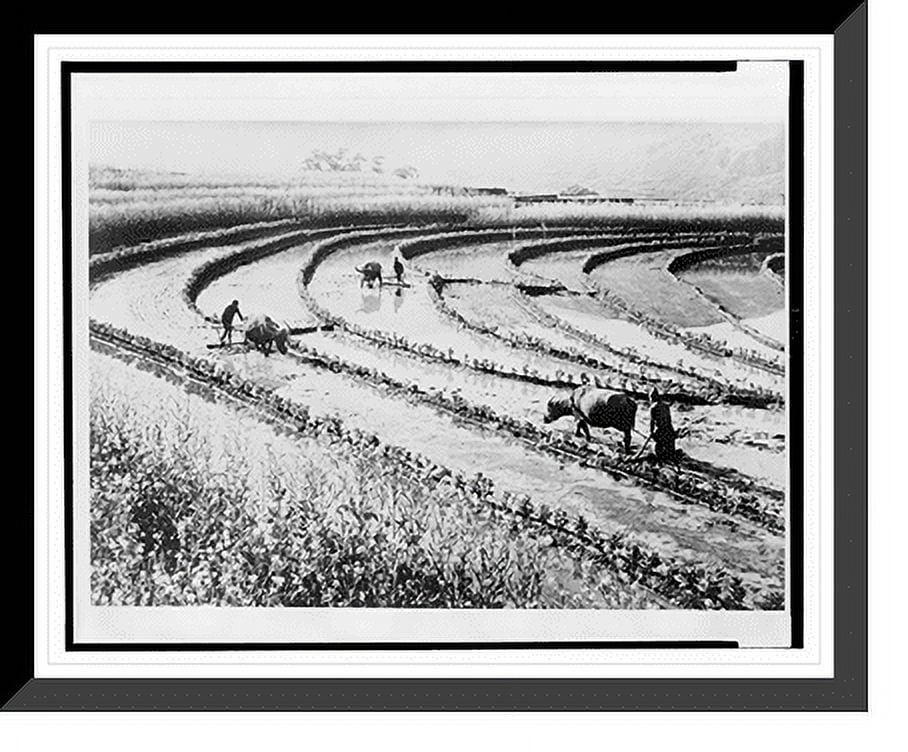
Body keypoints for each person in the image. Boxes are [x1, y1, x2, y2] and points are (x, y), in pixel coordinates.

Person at [649, 388, 677, 463]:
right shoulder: (665, 406)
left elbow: (652, 421)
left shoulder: (653, 408)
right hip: (669, 429)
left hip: (661, 430)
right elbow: (669, 418)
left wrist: (651, 432)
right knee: (671, 449)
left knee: (658, 448)